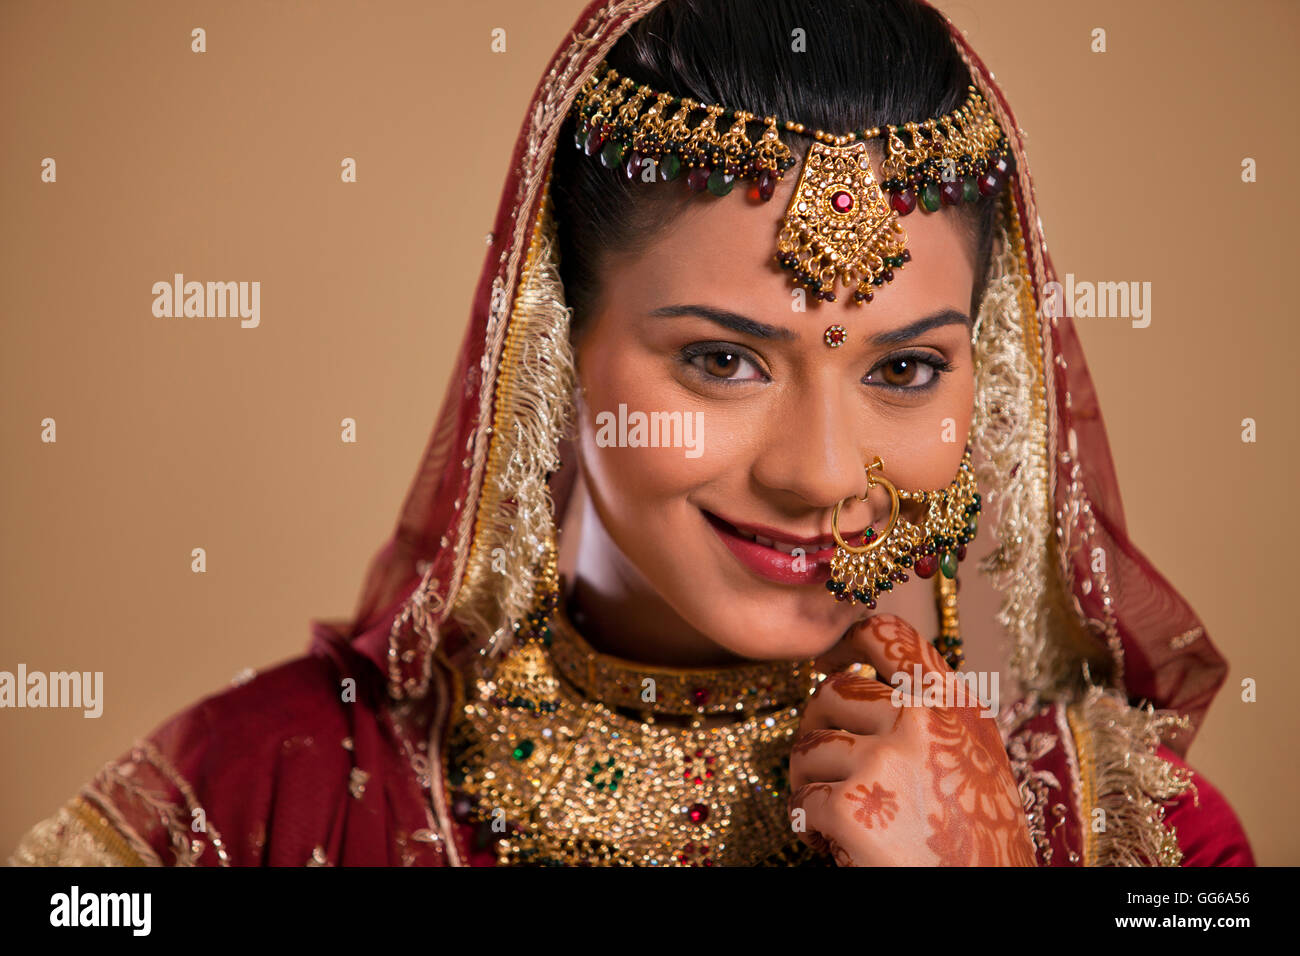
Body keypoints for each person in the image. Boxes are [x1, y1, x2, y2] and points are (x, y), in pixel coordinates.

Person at [9, 0, 1254, 867]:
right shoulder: (255, 798)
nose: (820, 472)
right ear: (551, 343)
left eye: (906, 366)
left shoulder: (1126, 830)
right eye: (721, 359)